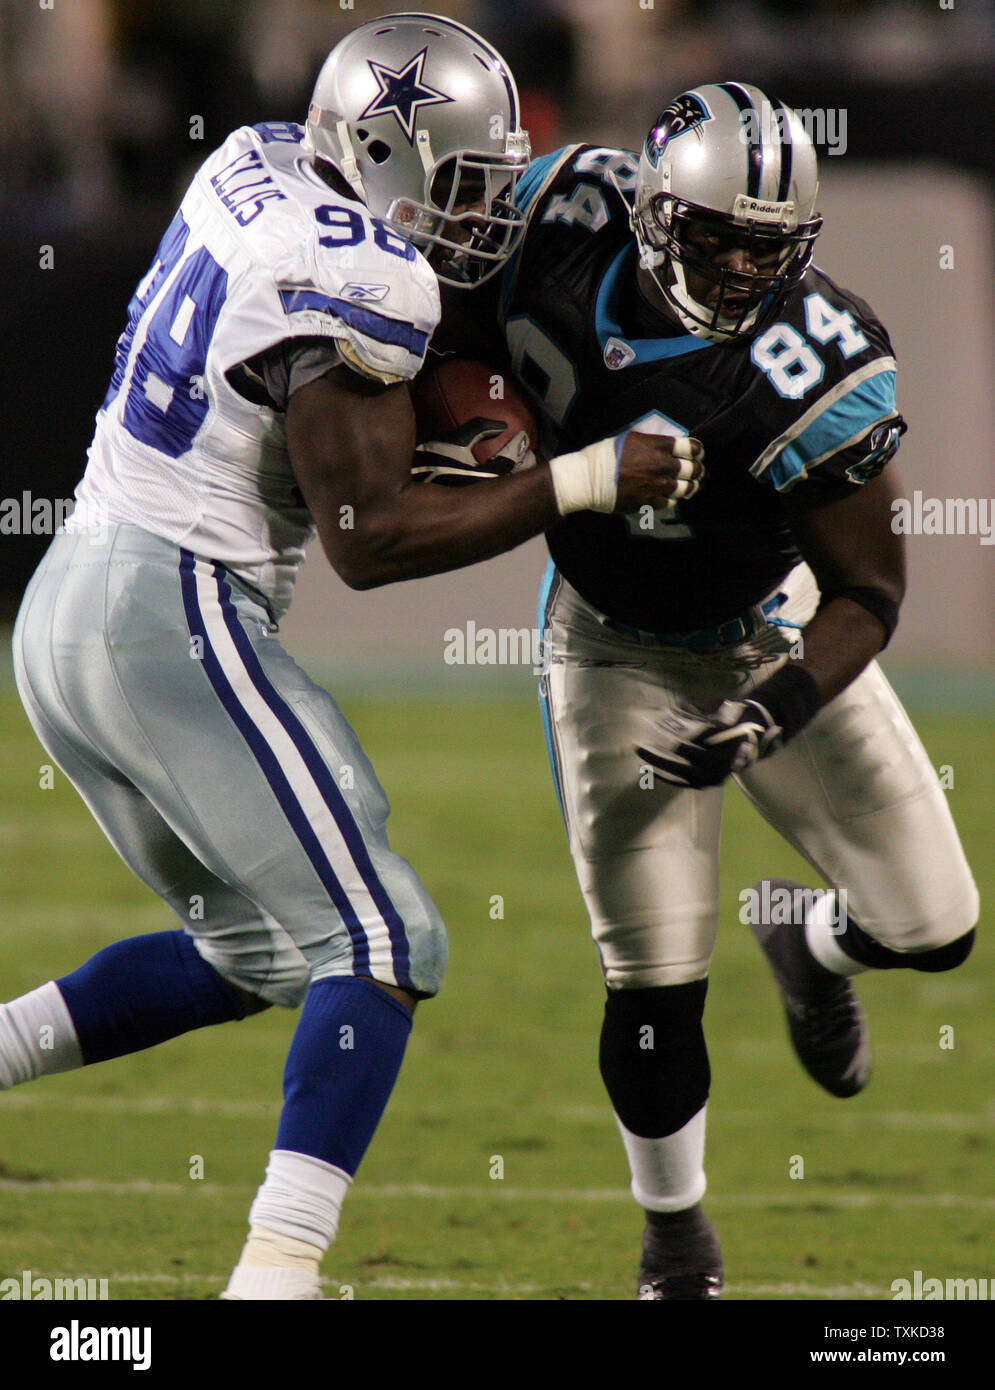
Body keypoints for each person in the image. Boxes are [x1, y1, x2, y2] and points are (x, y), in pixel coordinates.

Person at [3, 13, 690, 1301]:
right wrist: (579, 479)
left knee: (257, 952)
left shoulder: (256, 157)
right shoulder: (369, 275)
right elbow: (369, 542)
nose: (484, 208)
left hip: (63, 616)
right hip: (171, 608)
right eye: (469, 179)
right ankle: (274, 1275)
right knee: (384, 940)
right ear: (382, 150)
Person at [482, 83, 979, 1299]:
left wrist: (770, 708)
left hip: (769, 632)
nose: (743, 269)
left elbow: (865, 592)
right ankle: (677, 1244)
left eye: (770, 246)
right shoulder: (556, 216)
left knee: (937, 927)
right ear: (652, 213)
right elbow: (449, 318)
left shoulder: (816, 358)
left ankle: (806, 942)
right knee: (651, 978)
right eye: (717, 238)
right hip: (611, 646)